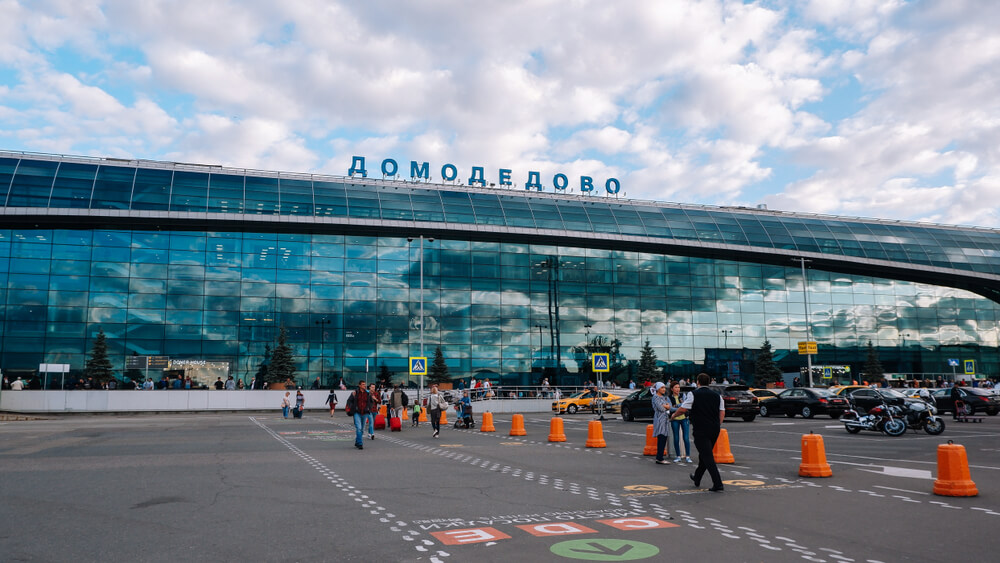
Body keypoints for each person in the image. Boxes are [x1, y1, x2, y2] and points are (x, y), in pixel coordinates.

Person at [671, 372, 725, 492]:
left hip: (701, 429)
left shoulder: (693, 394)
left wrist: (674, 415)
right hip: (715, 429)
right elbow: (722, 412)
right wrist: (718, 424)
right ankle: (697, 477)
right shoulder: (718, 396)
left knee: (707, 456)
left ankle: (718, 483)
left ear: (698, 382)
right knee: (704, 454)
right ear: (710, 382)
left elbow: (683, 409)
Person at [668, 381, 693, 463]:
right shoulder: (669, 398)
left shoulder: (683, 395)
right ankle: (678, 456)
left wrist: (677, 406)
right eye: (676, 387)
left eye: (678, 387)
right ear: (672, 389)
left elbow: (686, 406)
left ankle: (688, 456)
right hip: (675, 419)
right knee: (676, 437)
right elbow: (670, 408)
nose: (678, 389)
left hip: (684, 418)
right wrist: (680, 407)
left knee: (686, 438)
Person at [345, 381, 373, 450]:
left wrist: (369, 408)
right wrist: (353, 407)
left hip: (365, 412)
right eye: (363, 385)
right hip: (357, 412)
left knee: (362, 429)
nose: (364, 386)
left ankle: (357, 441)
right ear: (359, 385)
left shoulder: (367, 393)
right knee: (359, 427)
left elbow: (371, 402)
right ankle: (360, 443)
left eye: (365, 385)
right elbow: (349, 401)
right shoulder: (355, 393)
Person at [651, 381, 671, 464]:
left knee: (664, 438)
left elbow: (669, 406)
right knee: (661, 437)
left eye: (664, 387)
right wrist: (665, 406)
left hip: (665, 419)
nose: (664, 389)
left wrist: (666, 406)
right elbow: (661, 408)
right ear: (658, 389)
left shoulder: (663, 397)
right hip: (659, 419)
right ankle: (659, 458)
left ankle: (660, 456)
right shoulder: (656, 397)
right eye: (662, 388)